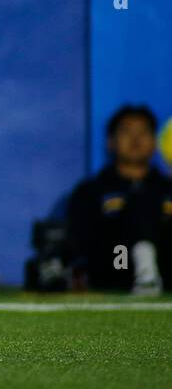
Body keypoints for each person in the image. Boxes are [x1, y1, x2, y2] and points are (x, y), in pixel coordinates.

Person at [64, 104, 169, 294]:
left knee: (147, 206)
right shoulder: (91, 190)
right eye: (127, 131)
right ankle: (144, 273)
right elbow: (79, 239)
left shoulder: (167, 188)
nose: (136, 139)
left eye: (143, 132)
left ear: (155, 142)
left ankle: (149, 271)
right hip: (116, 266)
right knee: (134, 210)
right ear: (110, 142)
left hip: (166, 268)